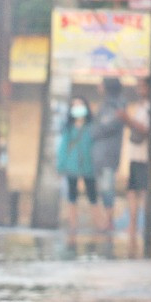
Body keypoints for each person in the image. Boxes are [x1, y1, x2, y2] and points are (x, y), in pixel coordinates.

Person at [56, 96, 96, 236]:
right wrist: (60, 167)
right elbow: (63, 148)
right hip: (71, 166)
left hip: (89, 166)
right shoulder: (68, 128)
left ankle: (97, 225)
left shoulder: (92, 128)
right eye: (75, 105)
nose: (78, 108)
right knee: (72, 196)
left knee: (93, 195)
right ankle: (73, 225)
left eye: (80, 105)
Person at [91, 77, 126, 233]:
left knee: (107, 187)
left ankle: (109, 220)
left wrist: (94, 131)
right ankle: (104, 220)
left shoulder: (116, 105)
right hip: (99, 154)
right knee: (101, 187)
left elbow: (106, 125)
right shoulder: (105, 104)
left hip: (108, 154)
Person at [124, 82, 150, 251]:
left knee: (143, 191)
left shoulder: (150, 107)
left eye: (142, 86)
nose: (138, 89)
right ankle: (132, 224)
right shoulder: (140, 106)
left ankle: (143, 225)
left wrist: (128, 120)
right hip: (134, 155)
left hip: (144, 156)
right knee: (132, 191)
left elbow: (146, 129)